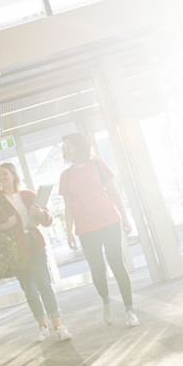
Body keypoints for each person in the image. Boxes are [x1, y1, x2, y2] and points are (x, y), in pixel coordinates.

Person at [0, 163, 72, 342]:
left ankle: (58, 326)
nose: (1, 177)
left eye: (5, 174)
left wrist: (38, 213)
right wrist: (4, 225)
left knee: (45, 286)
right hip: (15, 250)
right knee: (30, 290)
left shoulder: (27, 195)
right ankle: (42, 326)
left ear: (14, 176)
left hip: (35, 245)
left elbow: (48, 220)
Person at [58, 133, 139, 326]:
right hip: (86, 228)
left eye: (68, 146)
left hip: (109, 221)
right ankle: (106, 300)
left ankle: (130, 310)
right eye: (64, 147)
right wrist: (69, 231)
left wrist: (125, 217)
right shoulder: (66, 176)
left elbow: (113, 192)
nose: (65, 149)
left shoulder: (98, 165)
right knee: (97, 270)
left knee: (117, 263)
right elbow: (68, 207)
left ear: (79, 147)